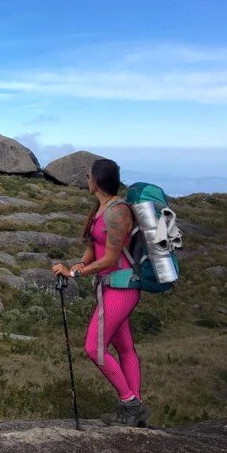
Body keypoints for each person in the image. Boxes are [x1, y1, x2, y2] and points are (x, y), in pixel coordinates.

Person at [52, 158, 150, 427]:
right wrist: (77, 265)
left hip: (122, 287)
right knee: (124, 347)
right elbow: (94, 248)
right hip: (110, 287)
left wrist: (75, 274)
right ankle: (135, 410)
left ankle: (130, 402)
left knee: (93, 348)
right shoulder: (101, 208)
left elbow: (109, 258)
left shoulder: (118, 211)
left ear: (97, 180)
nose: (86, 178)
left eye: (88, 175)